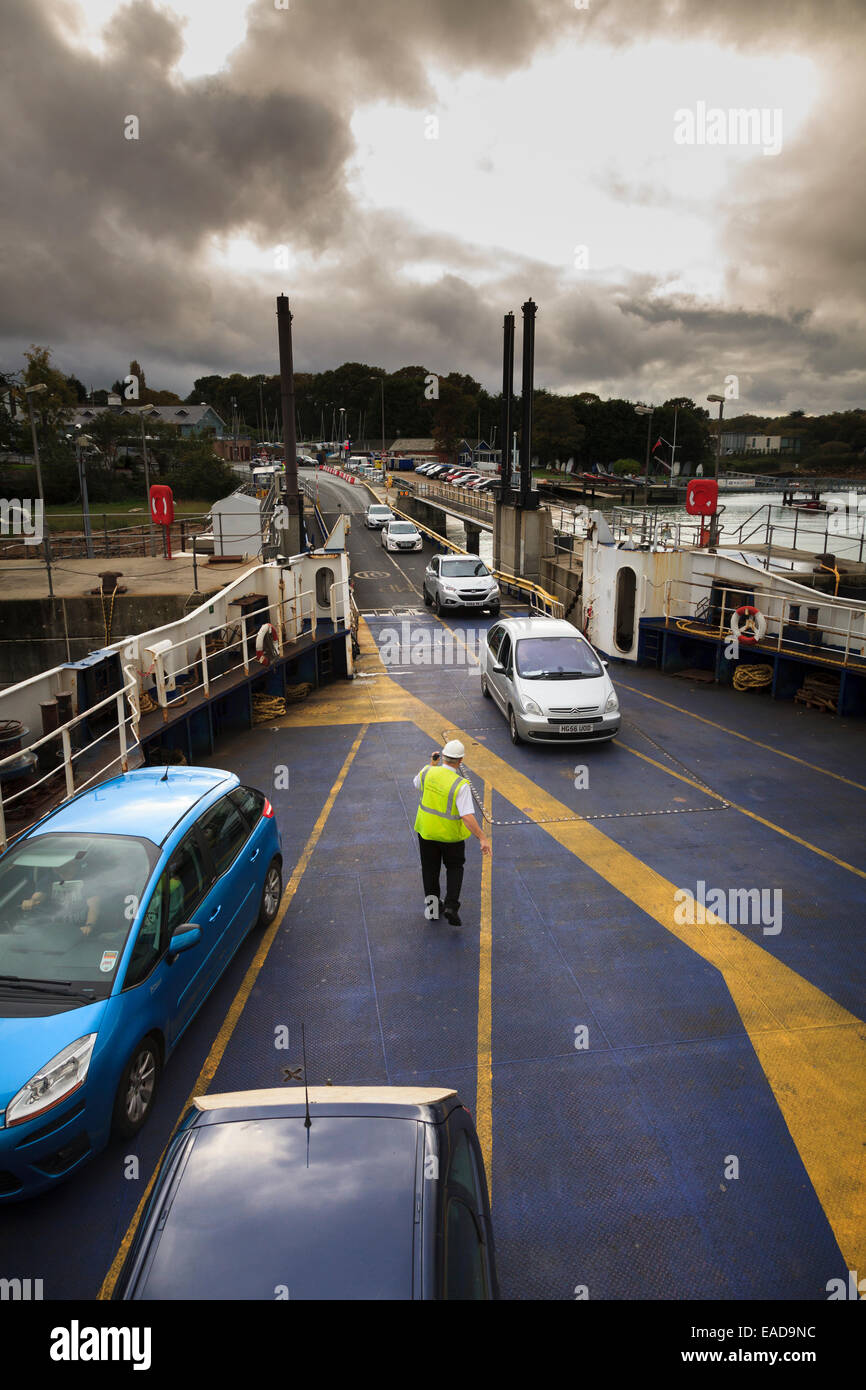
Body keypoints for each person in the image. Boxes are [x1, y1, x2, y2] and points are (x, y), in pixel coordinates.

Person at [413, 740, 491, 926]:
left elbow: (417, 784)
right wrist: (482, 837)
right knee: (455, 868)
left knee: (430, 870)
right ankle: (451, 906)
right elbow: (467, 817)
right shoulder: (460, 784)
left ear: (442, 756)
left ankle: (432, 910)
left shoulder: (427, 772)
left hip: (427, 832)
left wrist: (432, 763)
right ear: (460, 760)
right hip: (450, 837)